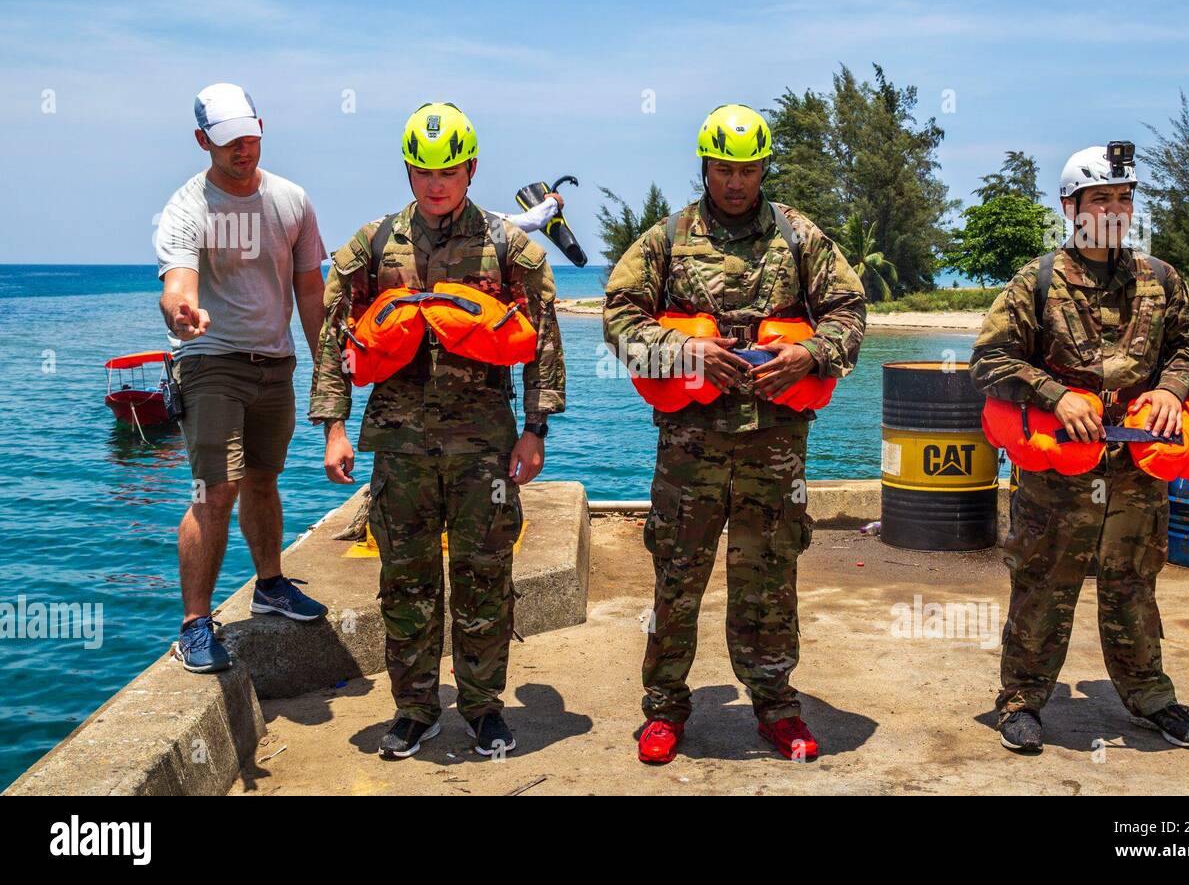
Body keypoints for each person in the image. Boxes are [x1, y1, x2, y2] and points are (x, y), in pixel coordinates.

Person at [603, 104, 866, 764]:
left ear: (762, 168)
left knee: (770, 579)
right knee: (677, 578)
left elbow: (849, 311)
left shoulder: (799, 237)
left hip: (774, 446)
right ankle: (664, 708)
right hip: (690, 445)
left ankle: (776, 704)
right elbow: (619, 316)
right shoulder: (666, 238)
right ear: (704, 166)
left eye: (748, 170)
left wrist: (810, 355)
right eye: (724, 169)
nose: (736, 183)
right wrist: (683, 352)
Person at [309, 102, 566, 759]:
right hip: (400, 446)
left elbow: (542, 336)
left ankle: (483, 708)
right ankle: (416, 708)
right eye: (422, 170)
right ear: (407, 169)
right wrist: (333, 426)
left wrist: (536, 427)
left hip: (485, 443)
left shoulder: (508, 245)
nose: (435, 183)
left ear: (472, 168)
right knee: (406, 581)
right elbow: (333, 332)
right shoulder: (372, 243)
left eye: (449, 170)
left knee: (484, 577)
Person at [969, 143, 1189, 752]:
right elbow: (988, 362)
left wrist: (1170, 390)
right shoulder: (1038, 280)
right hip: (1060, 473)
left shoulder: (1160, 279)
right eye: (1100, 197)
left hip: (1136, 470)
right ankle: (1021, 702)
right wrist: (1053, 395)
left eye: (1123, 198)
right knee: (1043, 582)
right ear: (1071, 206)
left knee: (1133, 583)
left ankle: (1150, 697)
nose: (1113, 209)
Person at [156, 82, 328, 674]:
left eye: (249, 136)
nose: (242, 149)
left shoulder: (291, 200)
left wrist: (324, 361)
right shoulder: (186, 207)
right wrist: (181, 310)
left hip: (274, 364)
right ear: (203, 141)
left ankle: (270, 585)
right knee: (215, 490)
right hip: (210, 361)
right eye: (228, 141)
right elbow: (176, 282)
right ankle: (195, 624)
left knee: (262, 479)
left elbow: (309, 289)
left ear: (262, 125)